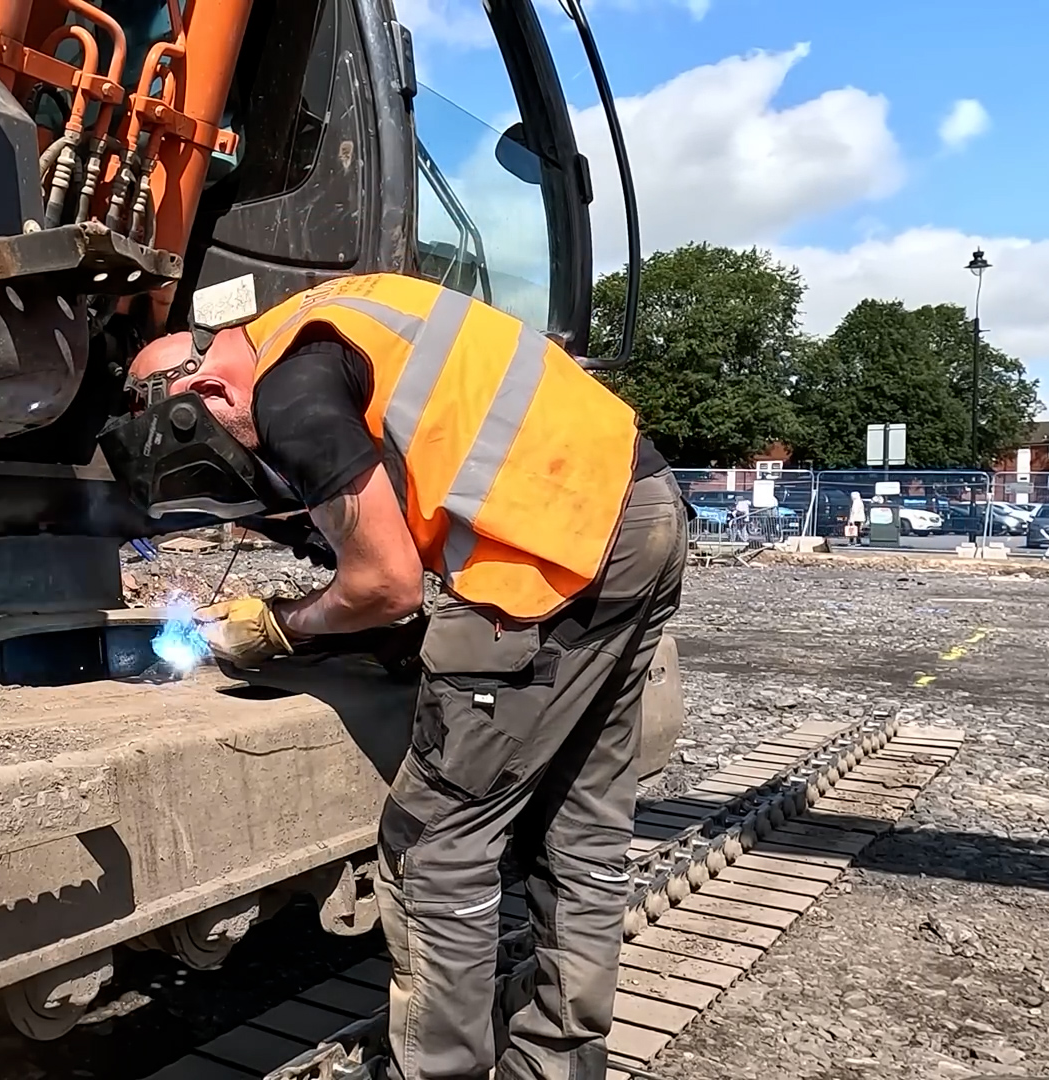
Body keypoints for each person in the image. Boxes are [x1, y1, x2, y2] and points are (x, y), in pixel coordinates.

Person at [126, 273, 689, 1080]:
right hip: (643, 509)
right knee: (581, 825)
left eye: (224, 443)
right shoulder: (334, 316)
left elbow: (385, 587)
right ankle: (560, 1065)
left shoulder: (289, 389)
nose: (249, 462)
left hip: (543, 565)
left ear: (208, 386)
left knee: (435, 846)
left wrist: (281, 624)